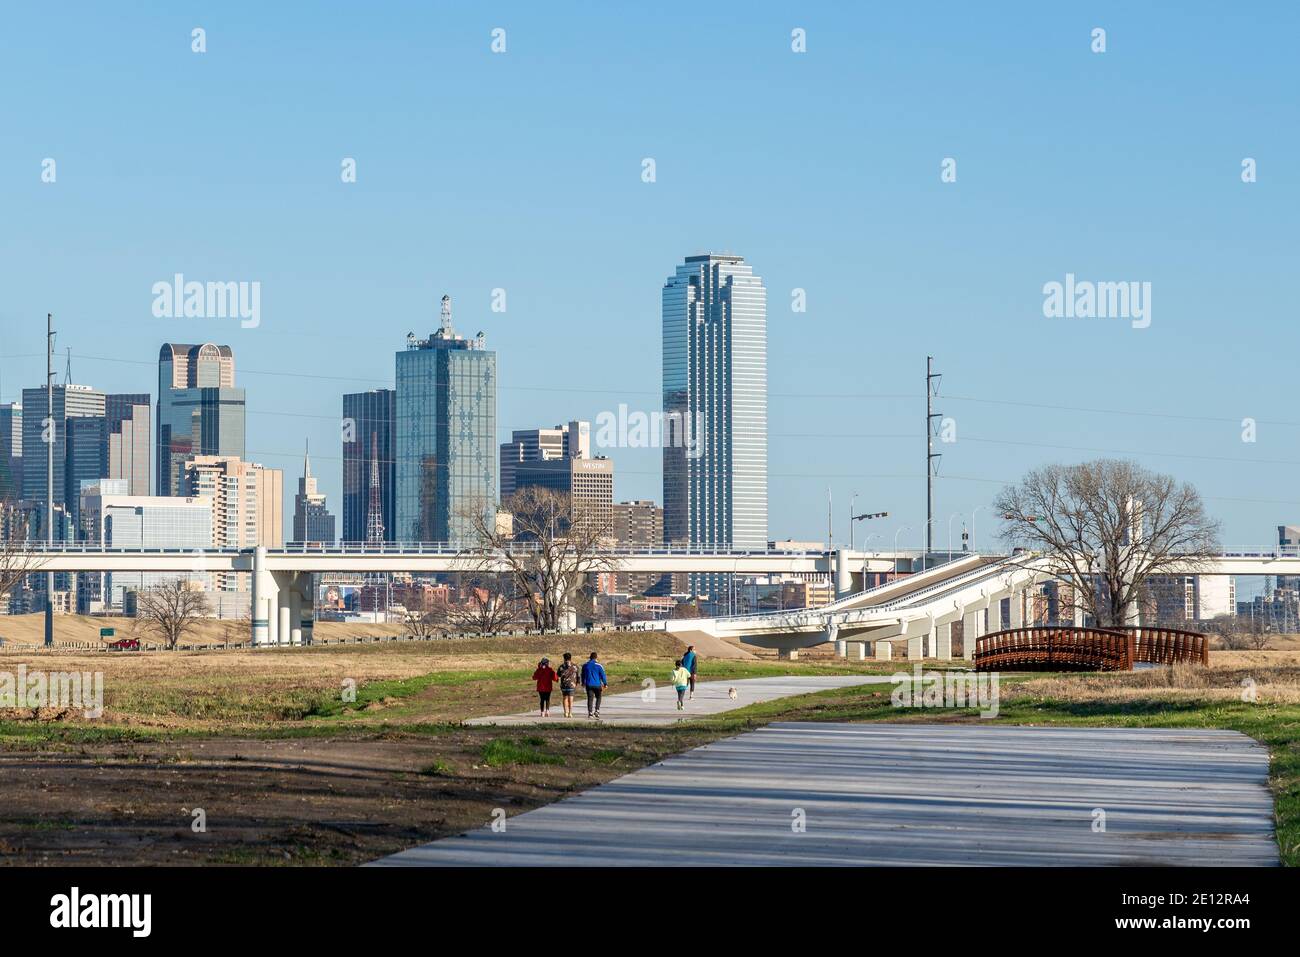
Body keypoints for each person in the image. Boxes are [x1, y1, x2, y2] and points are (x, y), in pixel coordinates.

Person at [581, 651, 608, 719]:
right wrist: (605, 683)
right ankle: (597, 710)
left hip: (589, 684)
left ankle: (590, 713)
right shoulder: (599, 665)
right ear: (596, 658)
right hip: (597, 685)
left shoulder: (585, 665)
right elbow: (603, 675)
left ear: (590, 657)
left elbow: (583, 675)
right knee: (598, 697)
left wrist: (583, 683)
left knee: (590, 699)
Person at [556, 651, 580, 718]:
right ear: (570, 658)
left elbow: (558, 675)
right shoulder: (575, 666)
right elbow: (578, 676)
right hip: (572, 684)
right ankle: (570, 712)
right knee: (571, 699)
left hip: (564, 685)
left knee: (565, 698)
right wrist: (577, 683)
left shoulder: (561, 666)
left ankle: (565, 712)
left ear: (564, 658)